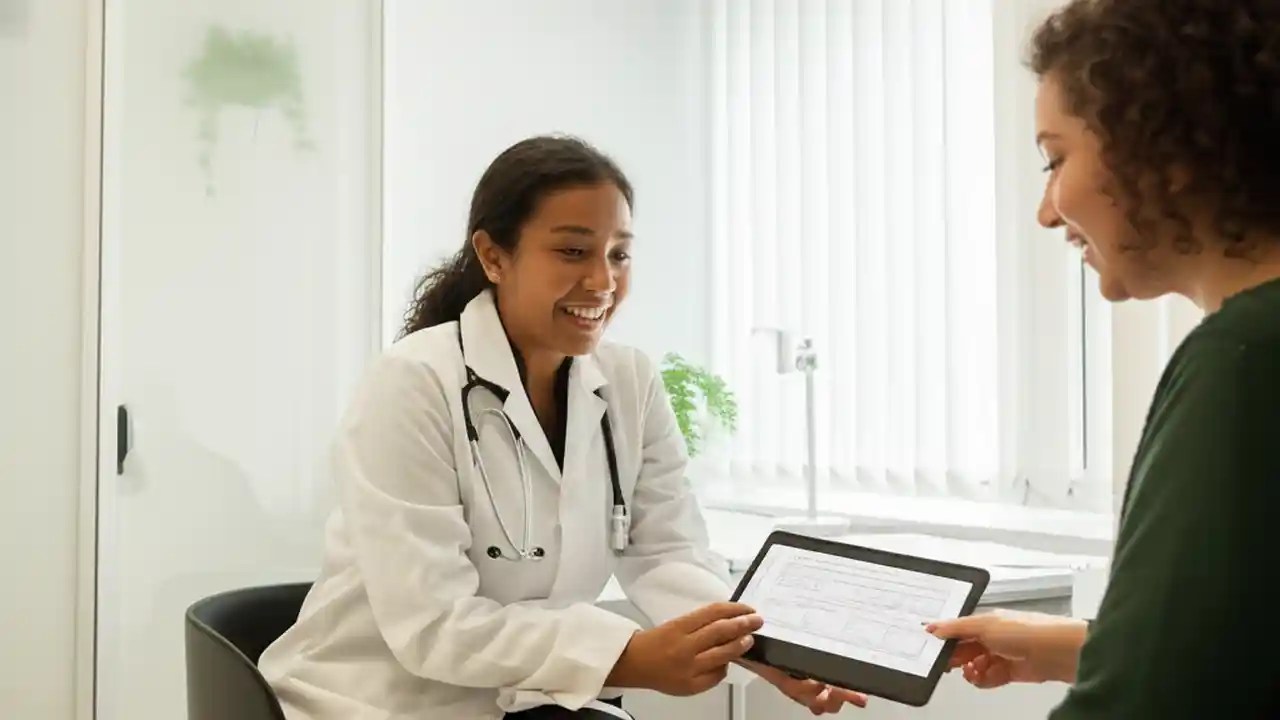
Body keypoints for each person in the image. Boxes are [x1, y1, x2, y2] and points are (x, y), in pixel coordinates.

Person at [257, 135, 867, 719]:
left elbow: (665, 552)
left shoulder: (629, 381)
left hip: (526, 697)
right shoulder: (413, 384)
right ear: (494, 256)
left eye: (618, 254)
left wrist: (755, 645)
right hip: (382, 703)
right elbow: (433, 625)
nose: (602, 281)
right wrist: (628, 658)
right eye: (573, 251)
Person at [926, 0, 1280, 717]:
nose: (1047, 211)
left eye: (1055, 158)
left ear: (1164, 147)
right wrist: (1084, 645)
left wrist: (1114, 662)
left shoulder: (1242, 361)